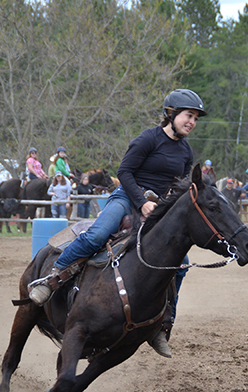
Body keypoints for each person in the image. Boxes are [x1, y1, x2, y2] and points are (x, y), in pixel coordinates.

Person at [28, 88, 206, 358]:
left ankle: (162, 325)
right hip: (126, 198)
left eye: (195, 118)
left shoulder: (185, 152)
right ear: (171, 114)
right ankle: (52, 278)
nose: (191, 122)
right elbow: (124, 172)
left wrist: (162, 208)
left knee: (179, 265)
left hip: (155, 209)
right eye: (188, 116)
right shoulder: (148, 139)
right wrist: (141, 201)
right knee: (97, 235)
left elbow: (178, 188)